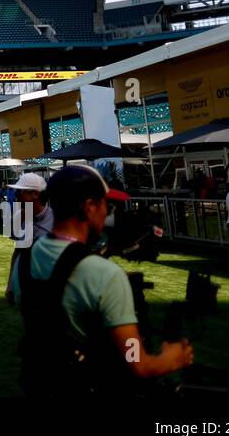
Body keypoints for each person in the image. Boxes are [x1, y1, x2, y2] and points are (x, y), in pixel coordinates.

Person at [12, 165, 193, 395]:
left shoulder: (24, 263)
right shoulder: (104, 274)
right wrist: (172, 358)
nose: (107, 212)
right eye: (104, 204)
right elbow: (136, 361)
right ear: (89, 207)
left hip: (39, 383)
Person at [4, 173, 52, 305]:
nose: (16, 196)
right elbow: (18, 252)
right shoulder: (19, 217)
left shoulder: (57, 220)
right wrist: (11, 284)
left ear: (35, 194)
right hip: (27, 291)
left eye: (20, 192)